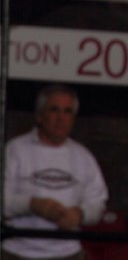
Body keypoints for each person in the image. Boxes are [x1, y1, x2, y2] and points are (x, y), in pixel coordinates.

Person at [3, 85, 107, 260]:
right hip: (17, 252)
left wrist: (79, 214)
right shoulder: (15, 150)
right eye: (54, 110)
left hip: (68, 253)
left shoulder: (83, 156)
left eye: (67, 112)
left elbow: (98, 204)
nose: (61, 118)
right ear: (39, 116)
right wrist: (32, 205)